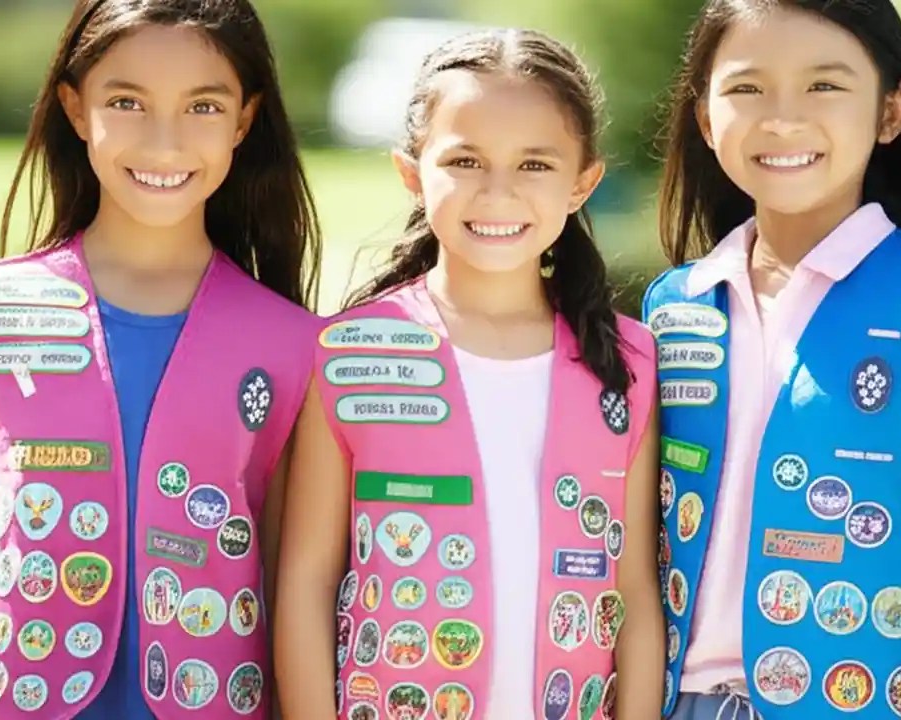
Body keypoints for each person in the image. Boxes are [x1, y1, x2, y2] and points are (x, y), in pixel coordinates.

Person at [0, 0, 321, 716]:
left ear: (244, 121)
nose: (163, 141)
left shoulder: (292, 343)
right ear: (73, 105)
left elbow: (290, 586)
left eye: (203, 107)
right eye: (126, 101)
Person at [275, 28, 664, 720]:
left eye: (535, 165)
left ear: (583, 183)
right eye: (465, 160)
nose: (498, 192)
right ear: (411, 172)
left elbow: (633, 590)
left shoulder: (628, 364)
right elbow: (306, 580)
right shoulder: (349, 353)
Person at [645, 1, 901, 718]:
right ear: (704, 117)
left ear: (890, 111)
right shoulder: (674, 305)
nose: (782, 118)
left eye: (824, 85)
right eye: (748, 88)